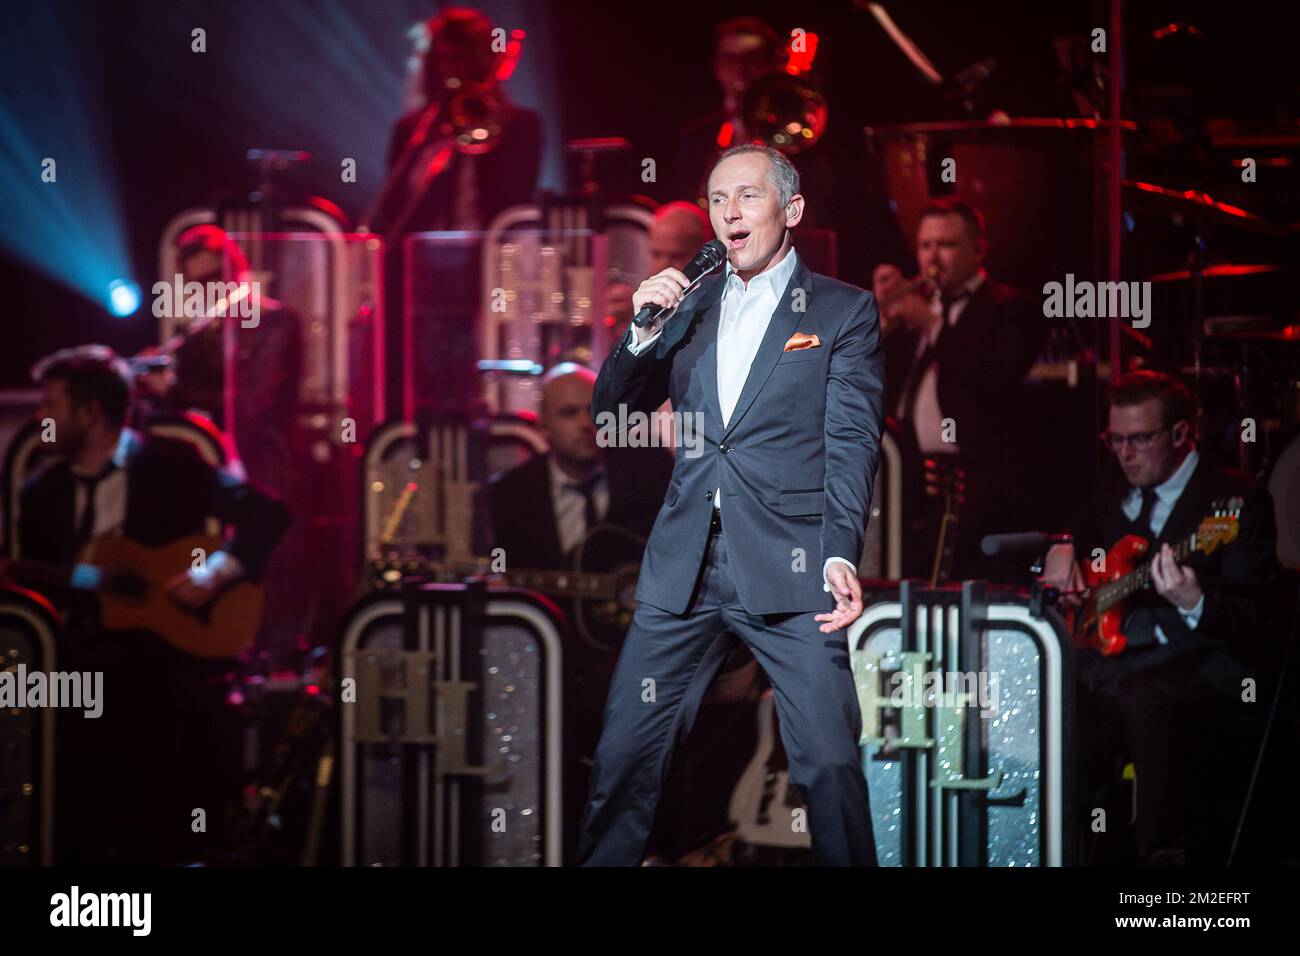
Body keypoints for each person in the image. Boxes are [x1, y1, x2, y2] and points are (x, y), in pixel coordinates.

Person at [578, 144, 885, 866]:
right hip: (685, 567)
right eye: (718, 200)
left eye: (747, 197)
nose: (730, 213)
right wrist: (644, 329)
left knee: (831, 767)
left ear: (792, 209)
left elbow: (850, 443)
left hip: (792, 564)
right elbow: (608, 409)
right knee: (624, 758)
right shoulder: (690, 304)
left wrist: (840, 549)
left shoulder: (843, 311)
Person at [18, 346, 291, 864]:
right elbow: (41, 595)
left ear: (91, 413)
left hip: (165, 673)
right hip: (78, 676)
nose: (41, 419)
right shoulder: (41, 493)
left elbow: (267, 514)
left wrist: (214, 574)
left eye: (51, 405)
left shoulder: (171, 466)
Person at [1040, 370, 1280, 865]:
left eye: (1140, 439)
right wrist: (1063, 546)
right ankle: (1063, 840)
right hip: (1118, 651)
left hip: (1206, 661)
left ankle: (1163, 860)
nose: (1125, 453)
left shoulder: (1235, 502)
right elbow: (1081, 531)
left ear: (1180, 433)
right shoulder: (1115, 485)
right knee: (1047, 678)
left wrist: (1195, 601)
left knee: (1142, 695)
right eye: (1116, 439)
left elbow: (1255, 617)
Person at [873, 197, 1044, 580]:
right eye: (925, 245)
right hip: (911, 490)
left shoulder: (1010, 308)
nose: (933, 257)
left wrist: (932, 325)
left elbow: (990, 377)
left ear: (978, 249)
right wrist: (879, 318)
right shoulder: (915, 313)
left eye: (946, 245)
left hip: (978, 493)